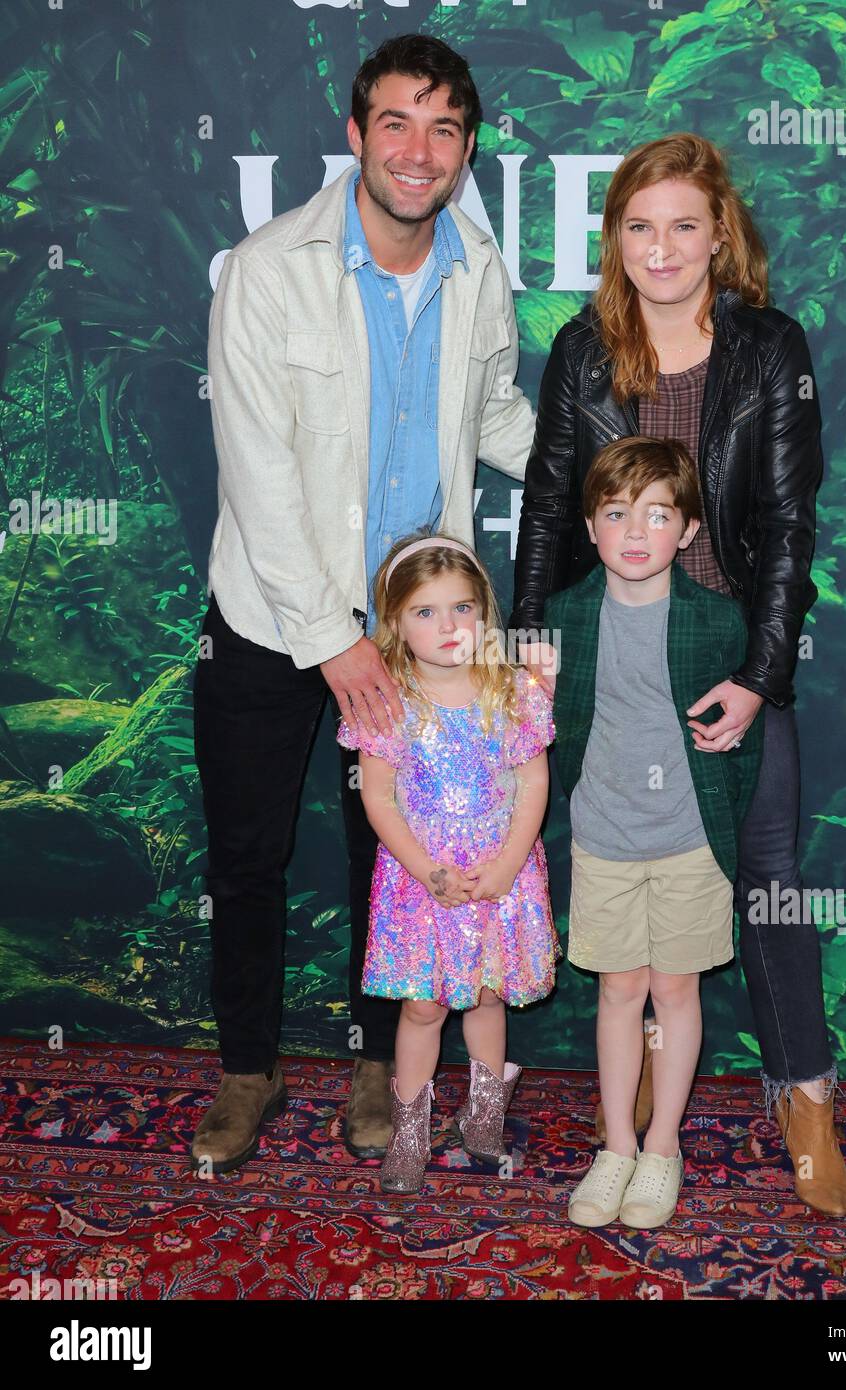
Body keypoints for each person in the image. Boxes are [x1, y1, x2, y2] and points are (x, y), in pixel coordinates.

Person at [191, 34, 537, 1176]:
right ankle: (247, 1066)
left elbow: (491, 419)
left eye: (442, 128)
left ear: (467, 148)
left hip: (409, 631)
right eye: (396, 121)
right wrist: (332, 642)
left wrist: (600, 486)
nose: (417, 149)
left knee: (381, 855)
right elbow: (257, 475)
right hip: (266, 618)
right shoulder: (263, 269)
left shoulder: (477, 270)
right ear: (354, 135)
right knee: (246, 853)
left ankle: (374, 1063)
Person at [511, 133, 846, 1218]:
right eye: (638, 225)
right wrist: (528, 642)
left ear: (719, 238)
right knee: (612, 870)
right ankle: (635, 1114)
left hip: (727, 657)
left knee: (762, 874)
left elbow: (792, 525)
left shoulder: (766, 348)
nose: (660, 247)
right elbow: (545, 504)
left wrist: (758, 674)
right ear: (614, 237)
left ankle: (801, 1092)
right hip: (609, 650)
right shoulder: (580, 350)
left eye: (683, 226)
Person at [542, 437, 762, 1228]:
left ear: (689, 530)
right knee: (616, 991)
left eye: (657, 515)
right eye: (615, 513)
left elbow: (740, 736)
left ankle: (662, 1147)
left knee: (674, 990)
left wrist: (732, 747)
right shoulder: (564, 616)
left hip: (688, 843)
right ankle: (617, 1147)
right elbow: (542, 729)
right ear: (591, 527)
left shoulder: (717, 623)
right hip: (601, 839)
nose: (635, 532)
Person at [335, 533, 560, 1194]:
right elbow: (377, 798)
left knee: (487, 997)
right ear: (396, 623)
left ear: (483, 613)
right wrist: (427, 870)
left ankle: (483, 1117)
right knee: (426, 1007)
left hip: (500, 871)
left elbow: (533, 786)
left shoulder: (514, 690)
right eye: (425, 612)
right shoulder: (387, 702)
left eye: (461, 608)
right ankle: (408, 1133)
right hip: (420, 878)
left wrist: (508, 863)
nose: (448, 626)